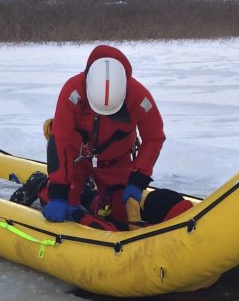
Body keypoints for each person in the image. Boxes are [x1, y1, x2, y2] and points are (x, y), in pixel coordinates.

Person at [35, 44, 190, 229]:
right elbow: (60, 141)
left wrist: (137, 181)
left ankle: (90, 199)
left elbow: (154, 137)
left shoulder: (140, 98)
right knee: (62, 204)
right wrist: (59, 192)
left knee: (119, 216)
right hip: (77, 159)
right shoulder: (73, 92)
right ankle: (44, 186)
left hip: (115, 162)